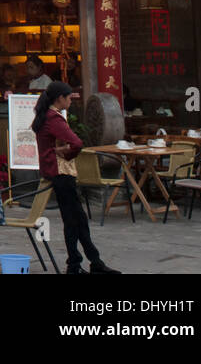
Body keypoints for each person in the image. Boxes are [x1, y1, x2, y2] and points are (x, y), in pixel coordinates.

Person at [32, 80, 120, 274]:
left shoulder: (45, 116)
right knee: (74, 220)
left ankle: (86, 262)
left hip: (54, 172)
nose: (70, 101)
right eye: (68, 97)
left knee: (75, 220)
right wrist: (66, 152)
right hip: (61, 173)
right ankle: (80, 264)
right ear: (59, 99)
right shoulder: (54, 119)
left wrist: (62, 150)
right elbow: (77, 143)